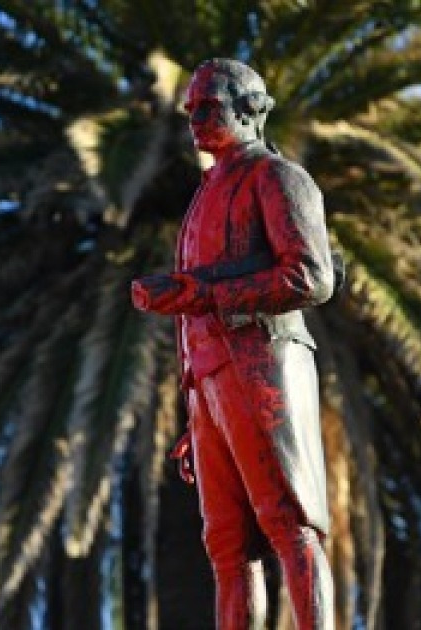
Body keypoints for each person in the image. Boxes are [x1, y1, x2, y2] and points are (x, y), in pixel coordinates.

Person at [131, 58, 335, 630]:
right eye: (190, 109)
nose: (195, 118)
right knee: (227, 544)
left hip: (265, 362)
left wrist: (202, 292)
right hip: (210, 386)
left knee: (291, 522)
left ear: (249, 110)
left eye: (209, 107)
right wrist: (196, 412)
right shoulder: (204, 195)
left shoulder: (277, 177)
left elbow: (311, 277)